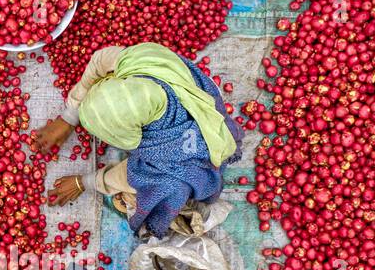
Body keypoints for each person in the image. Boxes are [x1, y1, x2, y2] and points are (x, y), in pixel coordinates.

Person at [30, 42, 244, 238]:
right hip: (183, 82)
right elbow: (100, 60)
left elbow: (130, 175)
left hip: (199, 144)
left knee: (167, 188)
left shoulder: (169, 148)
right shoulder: (136, 62)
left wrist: (84, 182)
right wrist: (69, 117)